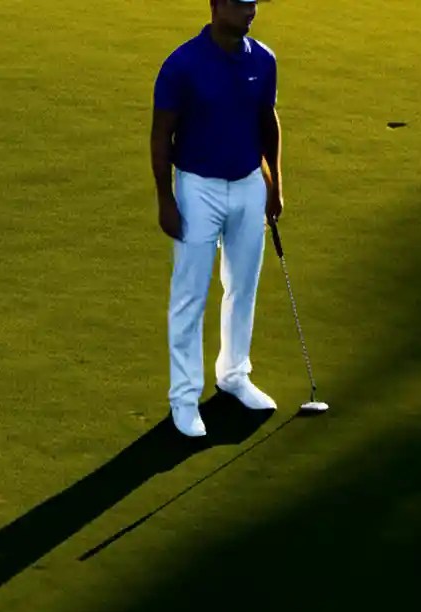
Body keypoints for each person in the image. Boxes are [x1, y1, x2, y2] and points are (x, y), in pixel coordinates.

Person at [150, 0, 284, 438]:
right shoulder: (182, 64)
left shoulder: (263, 60)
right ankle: (184, 399)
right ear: (217, 5)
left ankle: (234, 375)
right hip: (197, 188)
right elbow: (161, 133)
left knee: (242, 285)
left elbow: (268, 122)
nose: (252, 10)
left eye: (254, 3)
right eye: (243, 3)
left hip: (248, 184)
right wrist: (165, 199)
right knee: (190, 294)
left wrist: (274, 185)